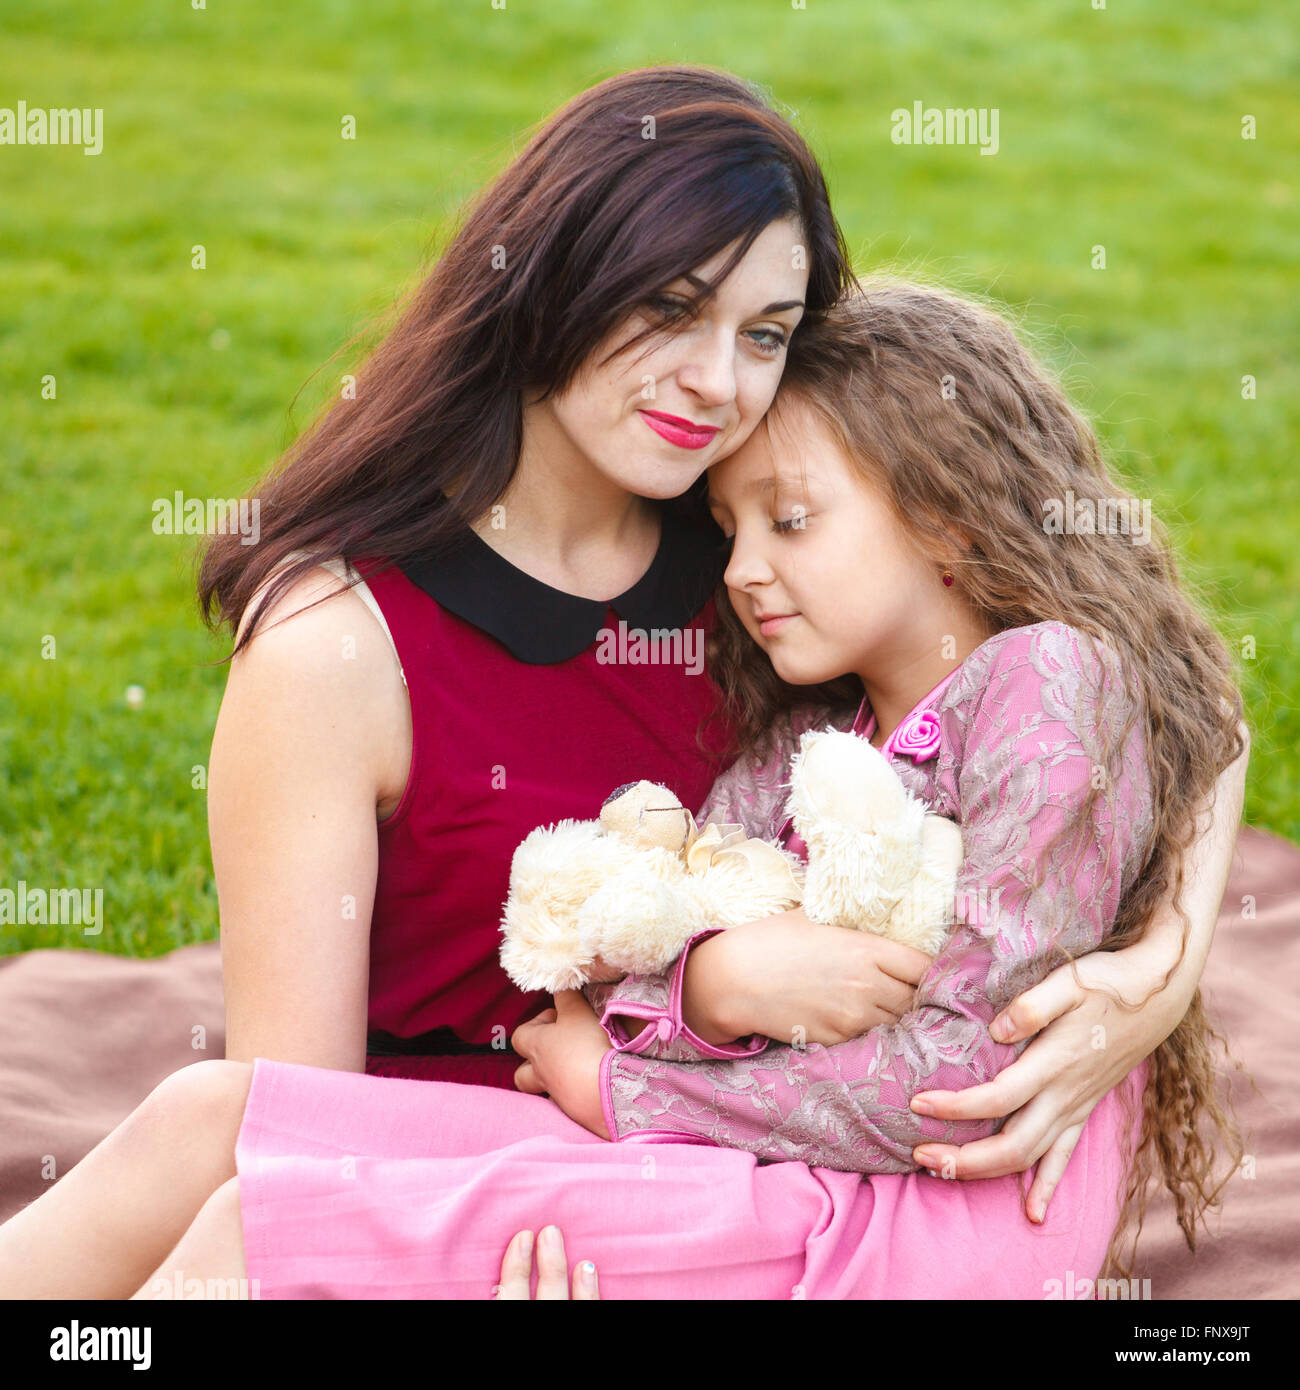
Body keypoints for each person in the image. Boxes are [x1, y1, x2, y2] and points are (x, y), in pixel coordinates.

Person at [0, 70, 1246, 1300]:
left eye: (763, 334)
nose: (719, 381)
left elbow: (1167, 701)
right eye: (669, 308)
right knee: (211, 1129)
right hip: (510, 1162)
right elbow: (297, 1120)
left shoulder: (773, 565)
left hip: (736, 1167)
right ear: (550, 283)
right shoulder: (341, 635)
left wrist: (1156, 975)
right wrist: (702, 994)